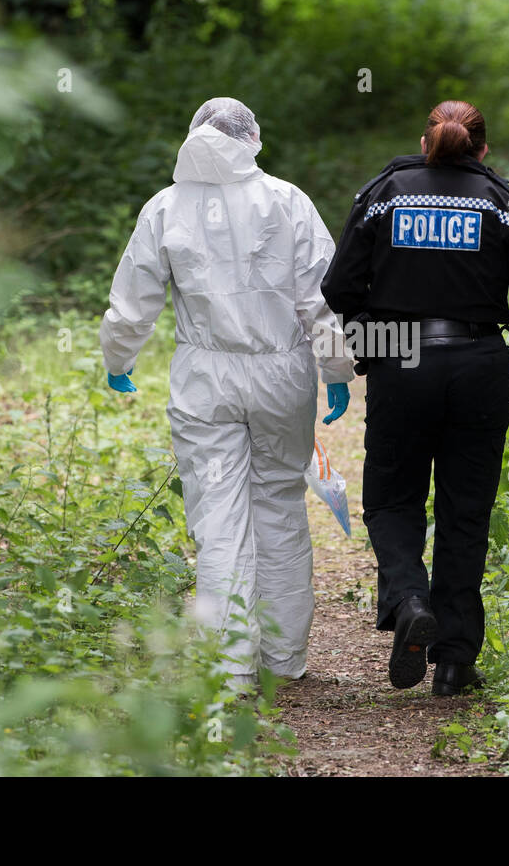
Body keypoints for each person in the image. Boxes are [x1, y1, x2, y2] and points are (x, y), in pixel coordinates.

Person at [99, 97, 355, 691]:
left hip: (204, 378)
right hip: (281, 374)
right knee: (279, 504)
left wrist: (119, 360)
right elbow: (321, 300)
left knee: (217, 517)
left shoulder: (165, 207)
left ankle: (231, 665)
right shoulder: (288, 201)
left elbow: (133, 301)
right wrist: (336, 369)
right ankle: (286, 660)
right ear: (251, 139)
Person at [322, 99, 509, 695]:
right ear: (481, 148)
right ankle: (454, 662)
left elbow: (339, 286)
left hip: (403, 360)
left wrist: (372, 345)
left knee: (390, 500)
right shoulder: (502, 203)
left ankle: (407, 602)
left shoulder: (384, 194)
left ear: (425, 141)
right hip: (480, 363)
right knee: (464, 511)